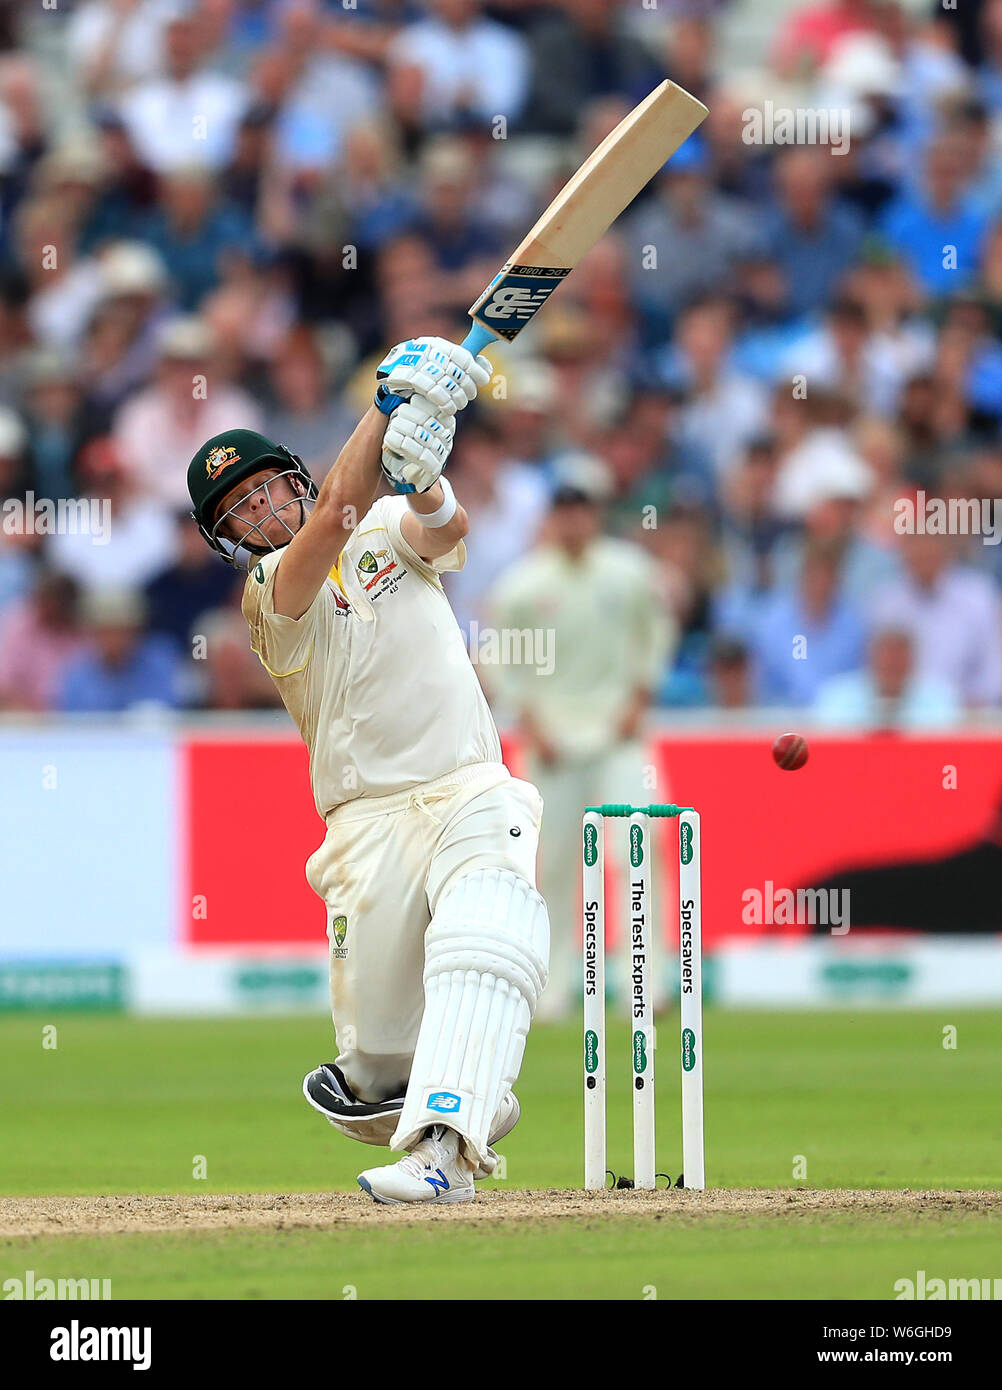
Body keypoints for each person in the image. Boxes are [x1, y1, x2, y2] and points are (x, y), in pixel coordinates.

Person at [186, 336, 549, 1205]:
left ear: (294, 479)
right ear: (230, 539)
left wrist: (424, 477)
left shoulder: (385, 525)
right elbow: (340, 513)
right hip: (366, 827)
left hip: (468, 784)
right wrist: (387, 404)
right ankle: (428, 1088)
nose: (261, 511)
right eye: (238, 510)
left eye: (267, 487)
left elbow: (446, 531)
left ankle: (445, 1154)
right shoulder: (272, 595)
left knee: (486, 931)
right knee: (380, 1070)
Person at [484, 454, 672, 1020]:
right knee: (553, 868)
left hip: (620, 739)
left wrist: (639, 698)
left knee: (639, 853)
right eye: (563, 508)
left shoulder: (630, 572)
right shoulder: (523, 584)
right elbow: (500, 662)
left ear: (597, 513)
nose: (573, 519)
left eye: (582, 507)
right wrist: (532, 724)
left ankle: (650, 981)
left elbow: (656, 635)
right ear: (551, 515)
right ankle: (554, 987)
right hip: (553, 747)